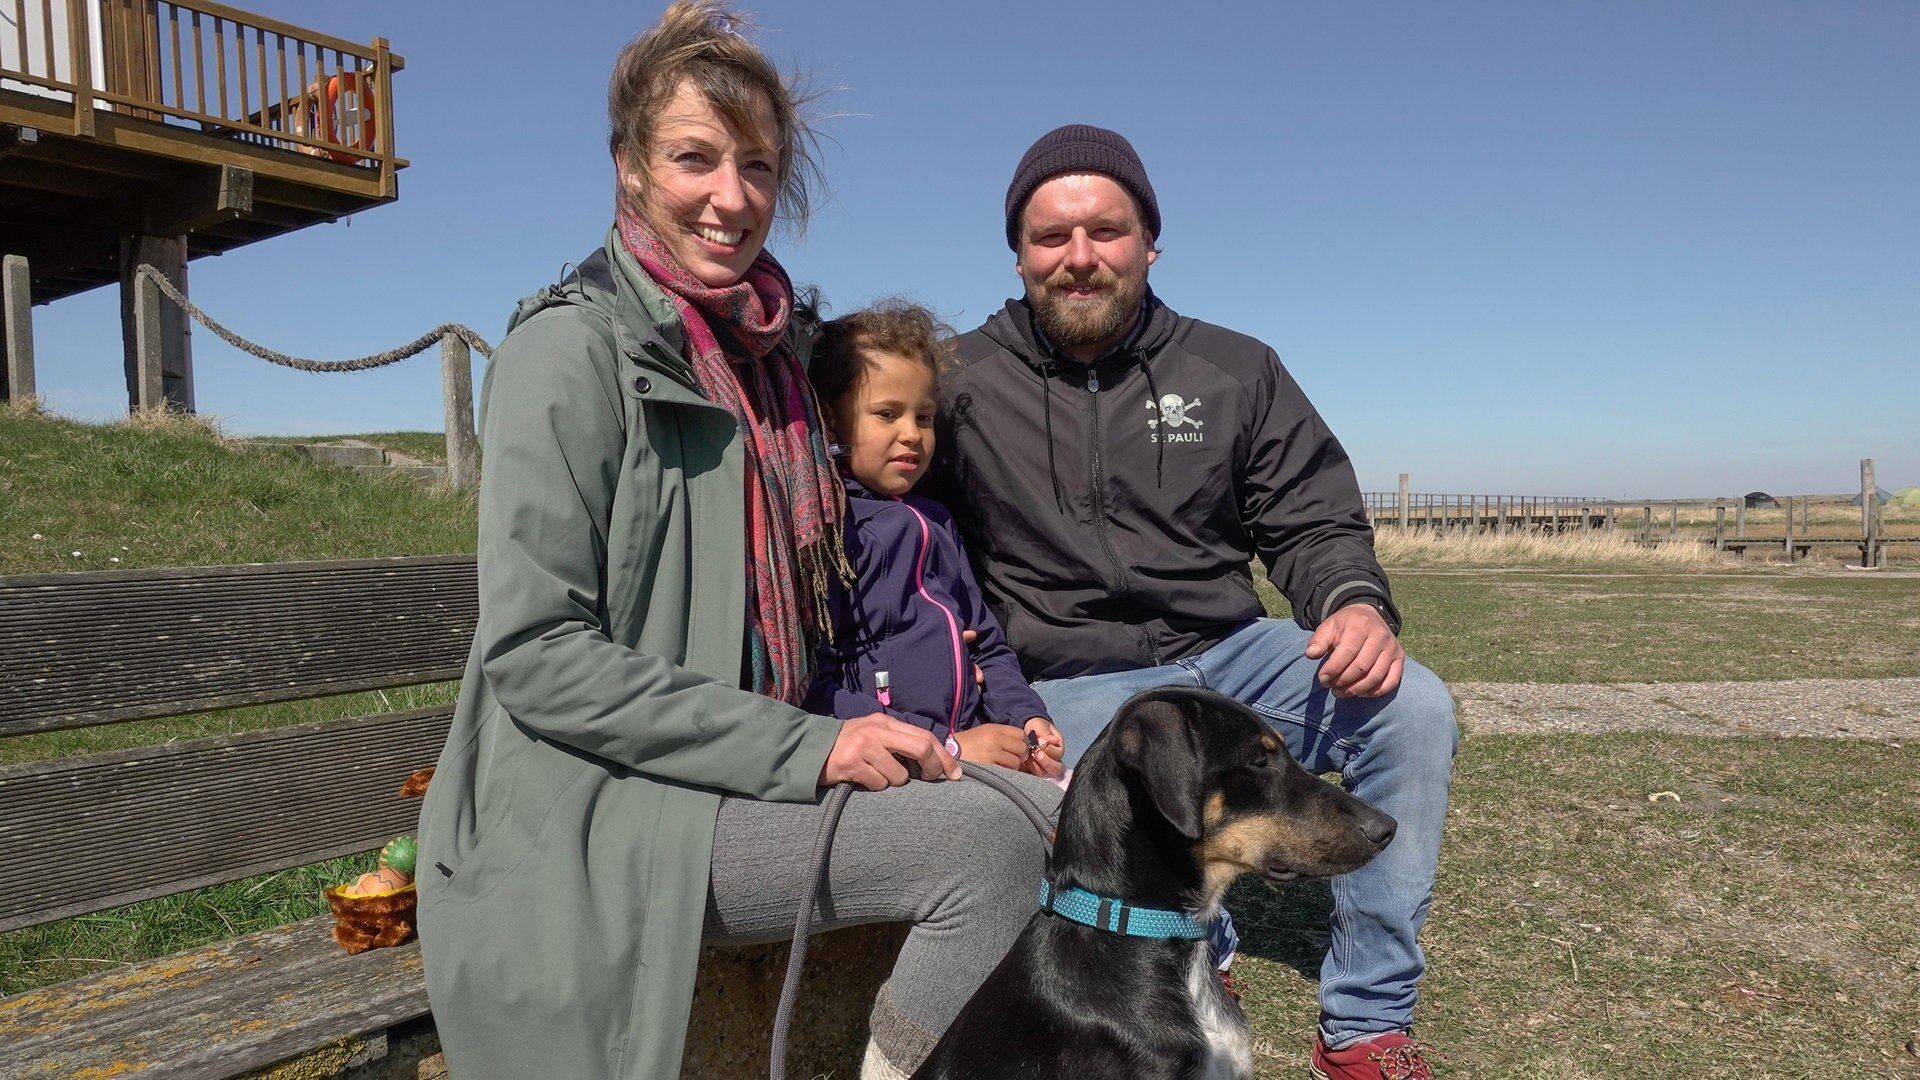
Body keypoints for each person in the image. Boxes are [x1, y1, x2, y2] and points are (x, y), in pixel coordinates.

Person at [414, 9, 1058, 1079]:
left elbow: (899, 477)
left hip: (745, 769)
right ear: (628, 167)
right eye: (693, 158)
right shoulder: (570, 355)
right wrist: (808, 748)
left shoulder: (776, 362)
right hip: (612, 803)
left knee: (1036, 805)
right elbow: (537, 656)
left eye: (757, 165)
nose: (731, 195)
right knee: (988, 842)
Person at [924, 124, 1460, 1080]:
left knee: (1411, 709)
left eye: (1106, 230)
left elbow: (1311, 514)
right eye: (1051, 237)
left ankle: (1368, 1028)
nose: (1078, 257)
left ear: (1149, 243)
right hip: (1070, 672)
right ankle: (1186, 972)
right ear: (1017, 253)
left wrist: (1352, 602)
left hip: (1231, 652)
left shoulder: (1236, 368)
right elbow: (906, 536)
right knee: (1084, 784)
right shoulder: (959, 382)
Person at [802, 300, 1066, 779]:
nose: (912, 434)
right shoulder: (826, 528)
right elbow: (818, 689)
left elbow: (987, 644)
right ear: (832, 420)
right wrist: (948, 744)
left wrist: (1028, 717)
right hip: (899, 769)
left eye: (924, 417)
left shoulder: (937, 520)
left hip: (970, 745)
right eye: (887, 413)